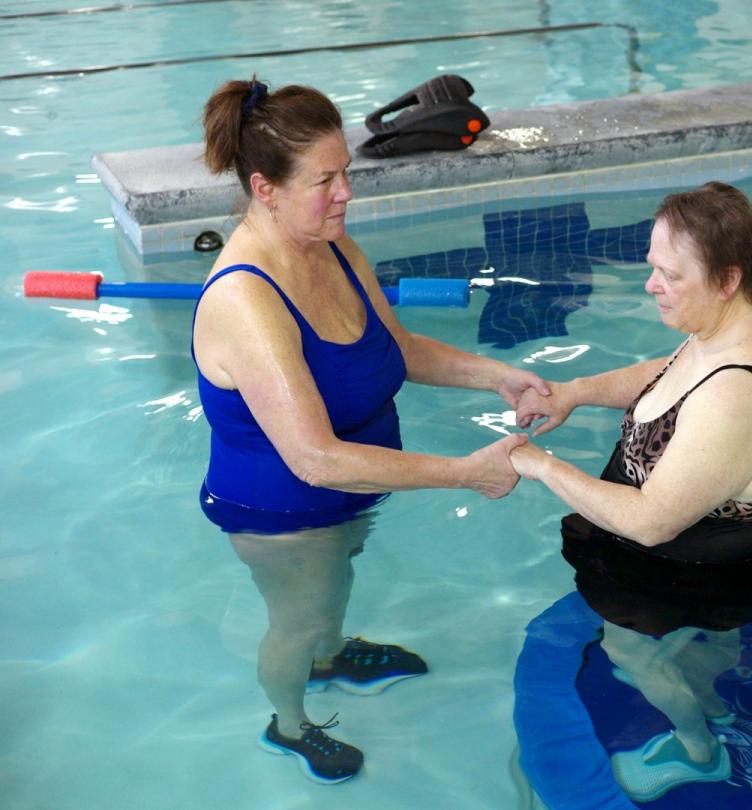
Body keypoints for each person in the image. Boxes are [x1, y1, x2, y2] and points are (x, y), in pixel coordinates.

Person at [192, 77, 544, 784]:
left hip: (352, 488)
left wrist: (497, 376)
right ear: (265, 189)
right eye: (326, 179)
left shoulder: (332, 246)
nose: (346, 192)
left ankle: (333, 653)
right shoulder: (246, 300)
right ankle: (290, 723)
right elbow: (316, 459)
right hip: (283, 512)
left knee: (335, 580)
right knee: (297, 615)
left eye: (345, 171)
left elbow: (396, 348)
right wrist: (466, 471)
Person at [511, 181, 752, 799]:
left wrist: (538, 465)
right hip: (726, 543)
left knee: (630, 653)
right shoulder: (739, 323)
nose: (652, 286)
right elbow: (670, 374)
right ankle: (713, 697)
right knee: (709, 644)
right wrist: (574, 392)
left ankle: (700, 749)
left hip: (700, 562)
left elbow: (651, 522)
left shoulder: (736, 394)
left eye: (669, 276)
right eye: (653, 269)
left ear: (727, 279)